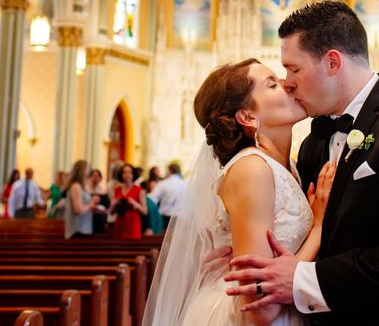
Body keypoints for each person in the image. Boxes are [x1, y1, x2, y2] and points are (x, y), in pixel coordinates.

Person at [223, 1, 379, 325]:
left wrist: (302, 280)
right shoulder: (314, 143)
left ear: (332, 62)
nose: (288, 83)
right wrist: (239, 253)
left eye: (294, 69)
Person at [143, 58, 336, 325]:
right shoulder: (252, 170)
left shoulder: (287, 164)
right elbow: (259, 309)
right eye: (272, 85)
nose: (288, 84)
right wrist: (317, 229)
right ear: (247, 117)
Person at [63, 160, 101, 239]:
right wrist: (90, 204)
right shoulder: (76, 186)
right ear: (82, 170)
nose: (89, 170)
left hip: (83, 229)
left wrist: (91, 201)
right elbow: (78, 209)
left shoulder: (80, 186)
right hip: (77, 230)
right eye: (87, 168)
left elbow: (83, 204)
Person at [112, 164, 148, 239]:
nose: (127, 175)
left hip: (133, 224)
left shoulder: (139, 190)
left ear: (133, 174)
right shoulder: (117, 190)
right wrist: (114, 204)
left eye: (129, 172)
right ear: (121, 175)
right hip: (120, 223)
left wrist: (135, 203)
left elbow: (145, 211)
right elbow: (111, 212)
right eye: (124, 172)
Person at [149, 162, 187, 230]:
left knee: (164, 239)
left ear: (169, 171)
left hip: (166, 218)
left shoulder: (163, 184)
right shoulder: (186, 184)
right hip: (182, 218)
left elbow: (152, 199)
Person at [89, 169, 111, 234]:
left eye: (97, 176)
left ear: (100, 178)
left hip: (101, 220)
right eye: (93, 176)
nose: (95, 178)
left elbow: (108, 206)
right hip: (89, 219)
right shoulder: (86, 191)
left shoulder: (103, 192)